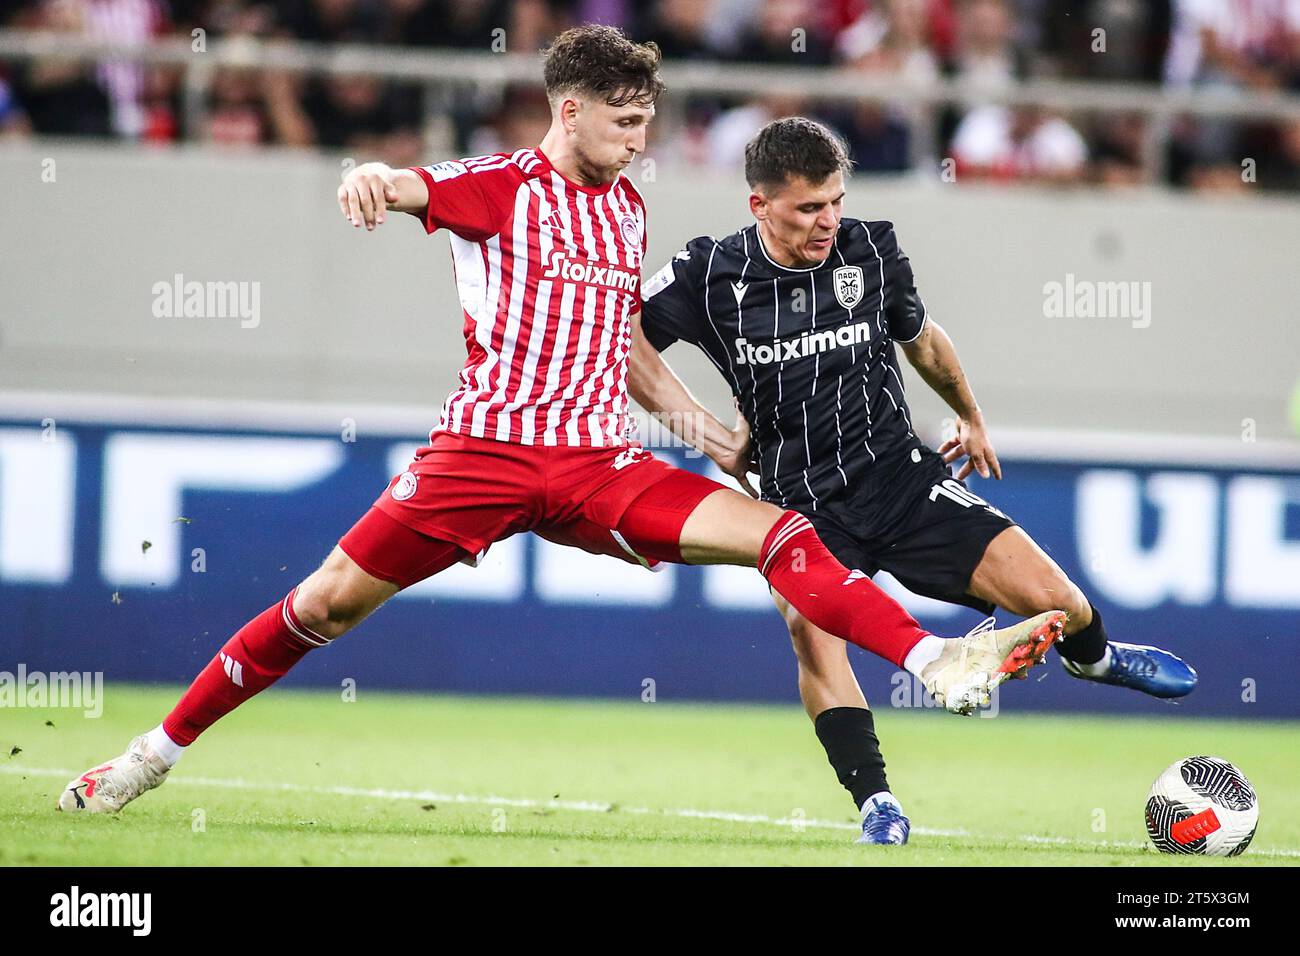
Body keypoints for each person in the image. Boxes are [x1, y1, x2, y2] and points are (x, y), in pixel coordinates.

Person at [57, 28, 1064, 821]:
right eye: (625, 122)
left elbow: (619, 344)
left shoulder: (624, 211)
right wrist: (370, 175)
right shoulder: (498, 188)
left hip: (597, 464)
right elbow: (409, 186)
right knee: (321, 607)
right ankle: (151, 755)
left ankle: (935, 660)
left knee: (781, 533)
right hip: (481, 457)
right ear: (569, 110)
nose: (640, 140)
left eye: (648, 123)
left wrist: (703, 431)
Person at [632, 116, 1197, 845]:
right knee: (811, 633)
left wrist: (970, 413)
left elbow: (922, 340)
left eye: (834, 200)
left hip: (902, 482)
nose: (827, 220)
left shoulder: (868, 249)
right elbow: (622, 341)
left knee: (1060, 602)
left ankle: (1098, 662)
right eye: (807, 207)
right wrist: (707, 438)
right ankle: (878, 803)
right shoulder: (709, 274)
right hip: (799, 506)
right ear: (760, 205)